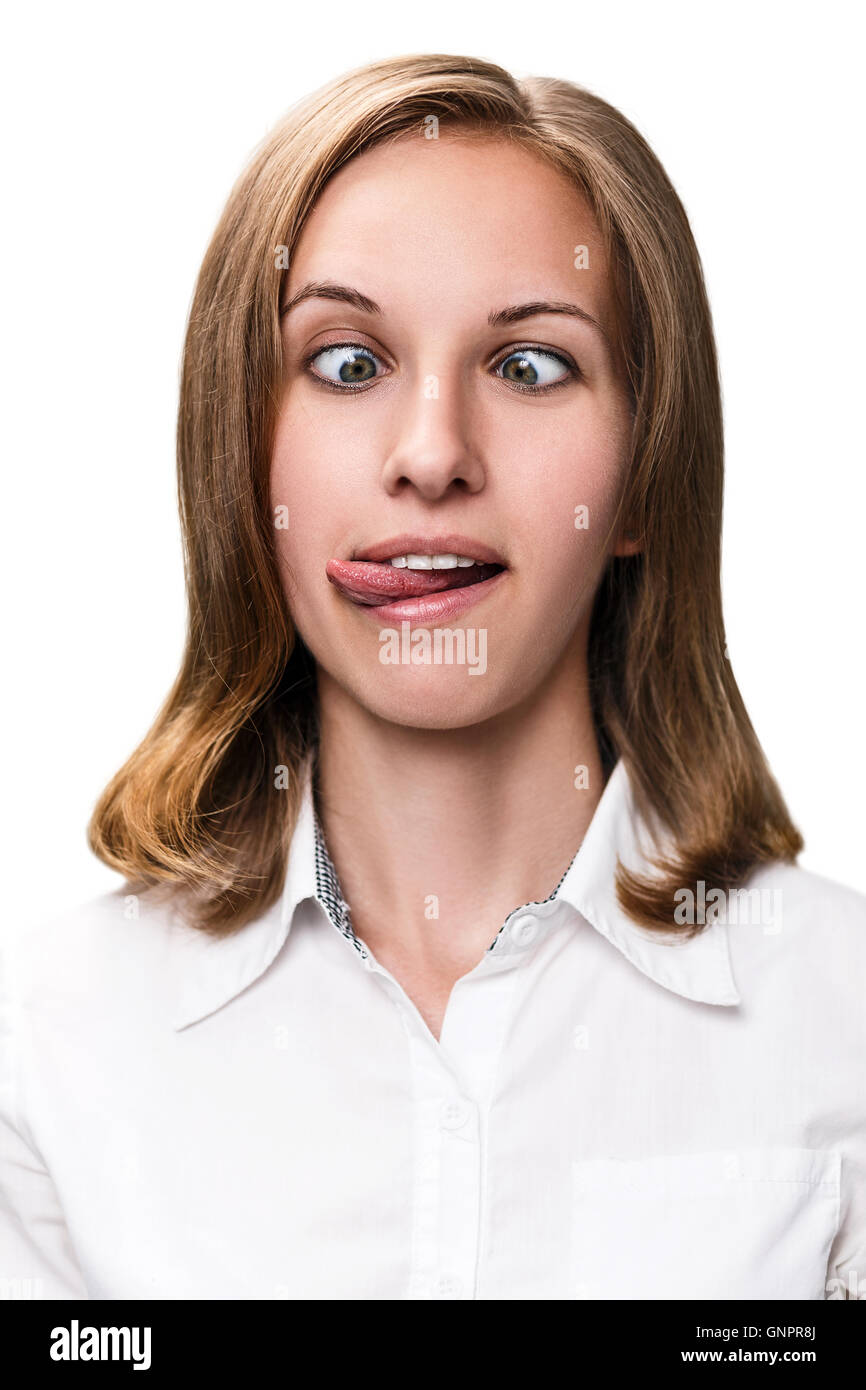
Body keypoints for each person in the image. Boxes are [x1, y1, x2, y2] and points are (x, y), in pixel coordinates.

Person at [1, 53, 863, 1301]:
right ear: (244, 456)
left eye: (528, 366)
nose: (432, 454)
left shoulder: (838, 1020)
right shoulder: (47, 1049)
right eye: (348, 363)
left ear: (642, 474)